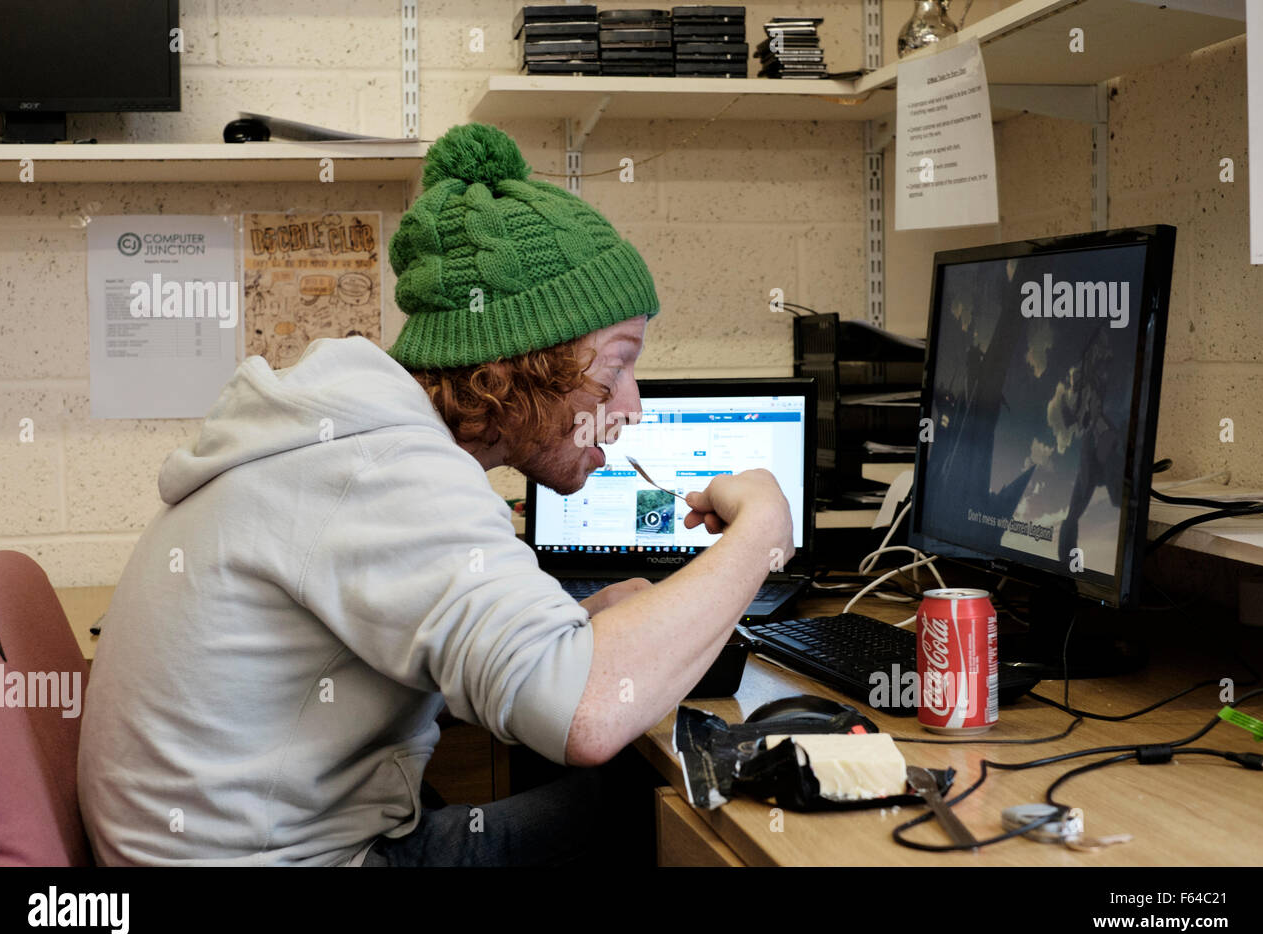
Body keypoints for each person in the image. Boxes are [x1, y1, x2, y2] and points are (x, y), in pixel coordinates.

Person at [77, 123, 794, 866]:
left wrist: (577, 626)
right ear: (526, 362)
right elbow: (587, 715)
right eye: (617, 364)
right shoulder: (385, 463)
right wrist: (763, 526)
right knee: (644, 810)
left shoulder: (356, 433)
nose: (632, 404)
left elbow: (429, 633)